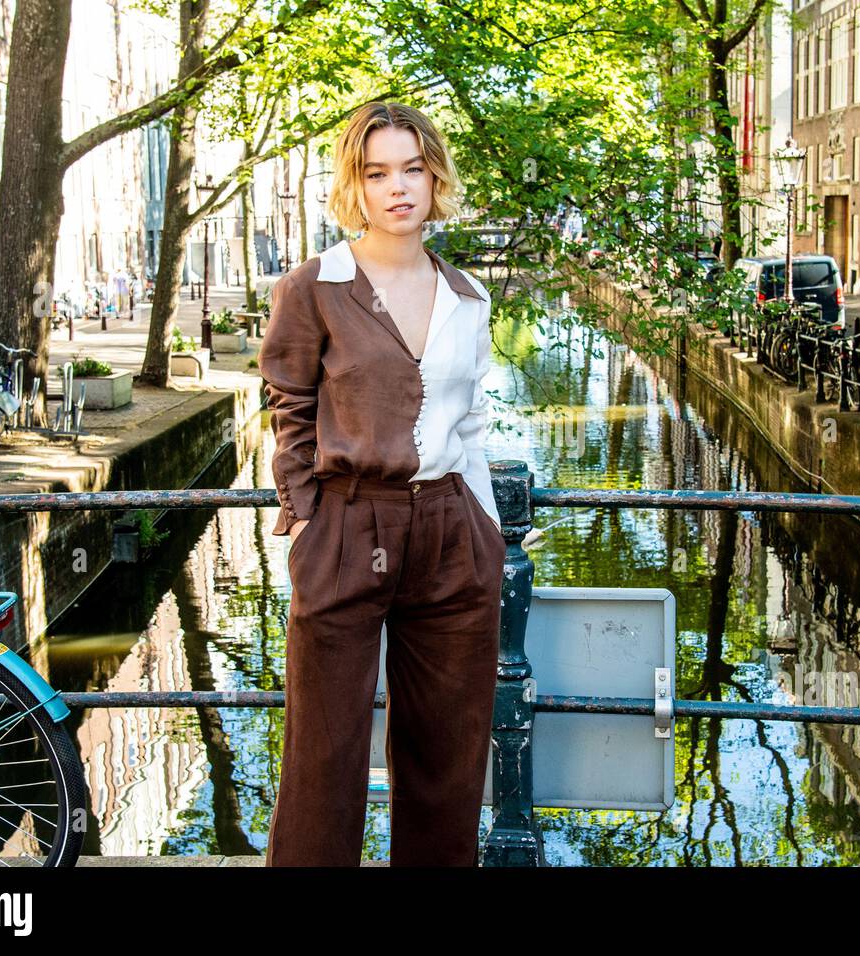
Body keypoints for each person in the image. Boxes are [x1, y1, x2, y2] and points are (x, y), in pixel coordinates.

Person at [258, 102, 505, 867]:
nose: (398, 187)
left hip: (451, 532)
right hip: (347, 527)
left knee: (446, 758)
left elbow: (470, 430)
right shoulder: (318, 285)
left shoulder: (467, 296)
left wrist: (486, 536)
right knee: (323, 760)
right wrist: (305, 521)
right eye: (377, 172)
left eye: (412, 169)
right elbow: (289, 405)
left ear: (435, 178)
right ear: (355, 186)